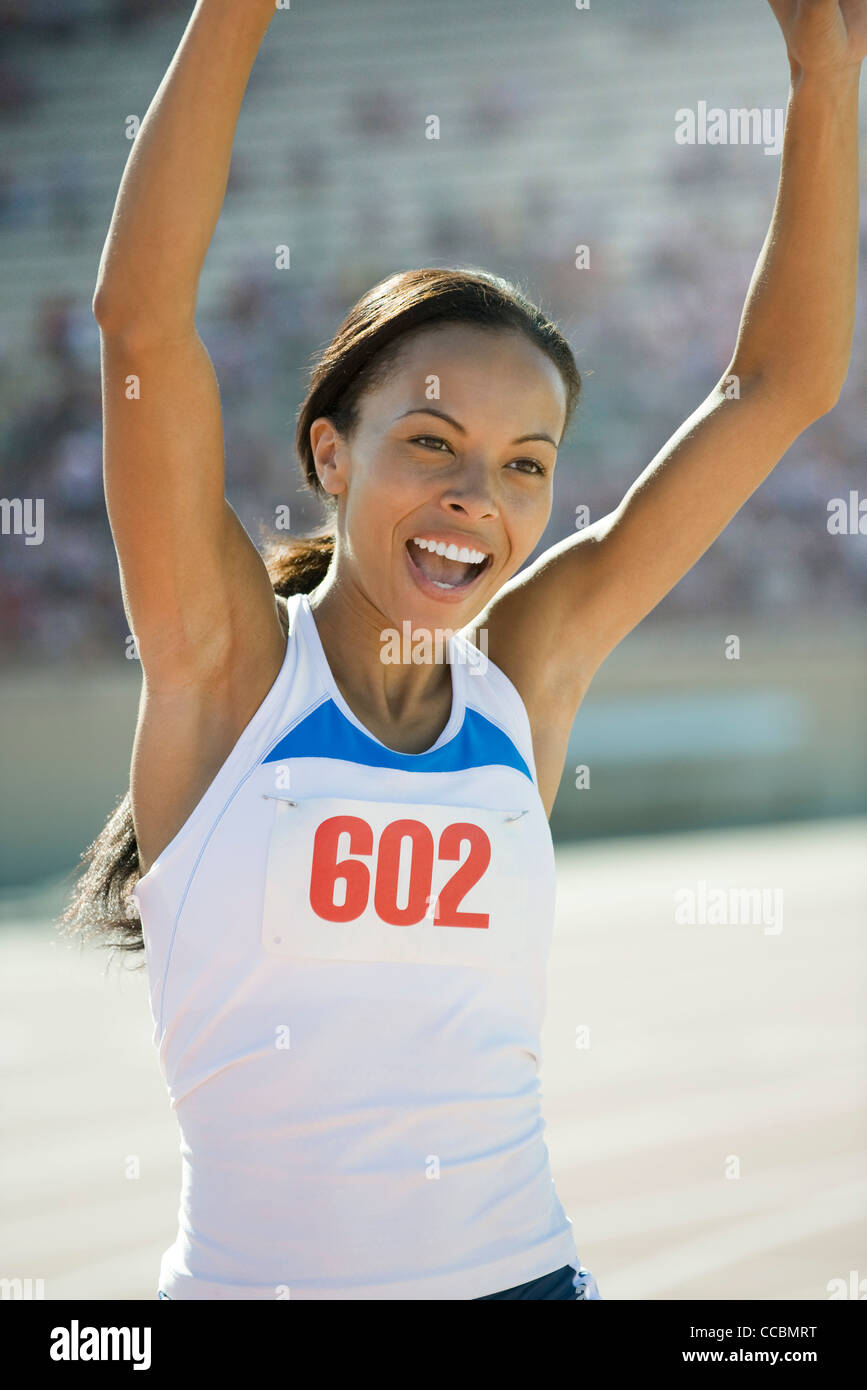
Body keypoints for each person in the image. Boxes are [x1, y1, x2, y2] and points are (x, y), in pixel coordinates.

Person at [60, 0, 862, 1299]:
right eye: (432, 442)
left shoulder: (527, 672)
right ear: (332, 451)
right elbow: (142, 324)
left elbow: (781, 387)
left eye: (525, 466)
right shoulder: (227, 672)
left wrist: (824, 72)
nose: (476, 497)